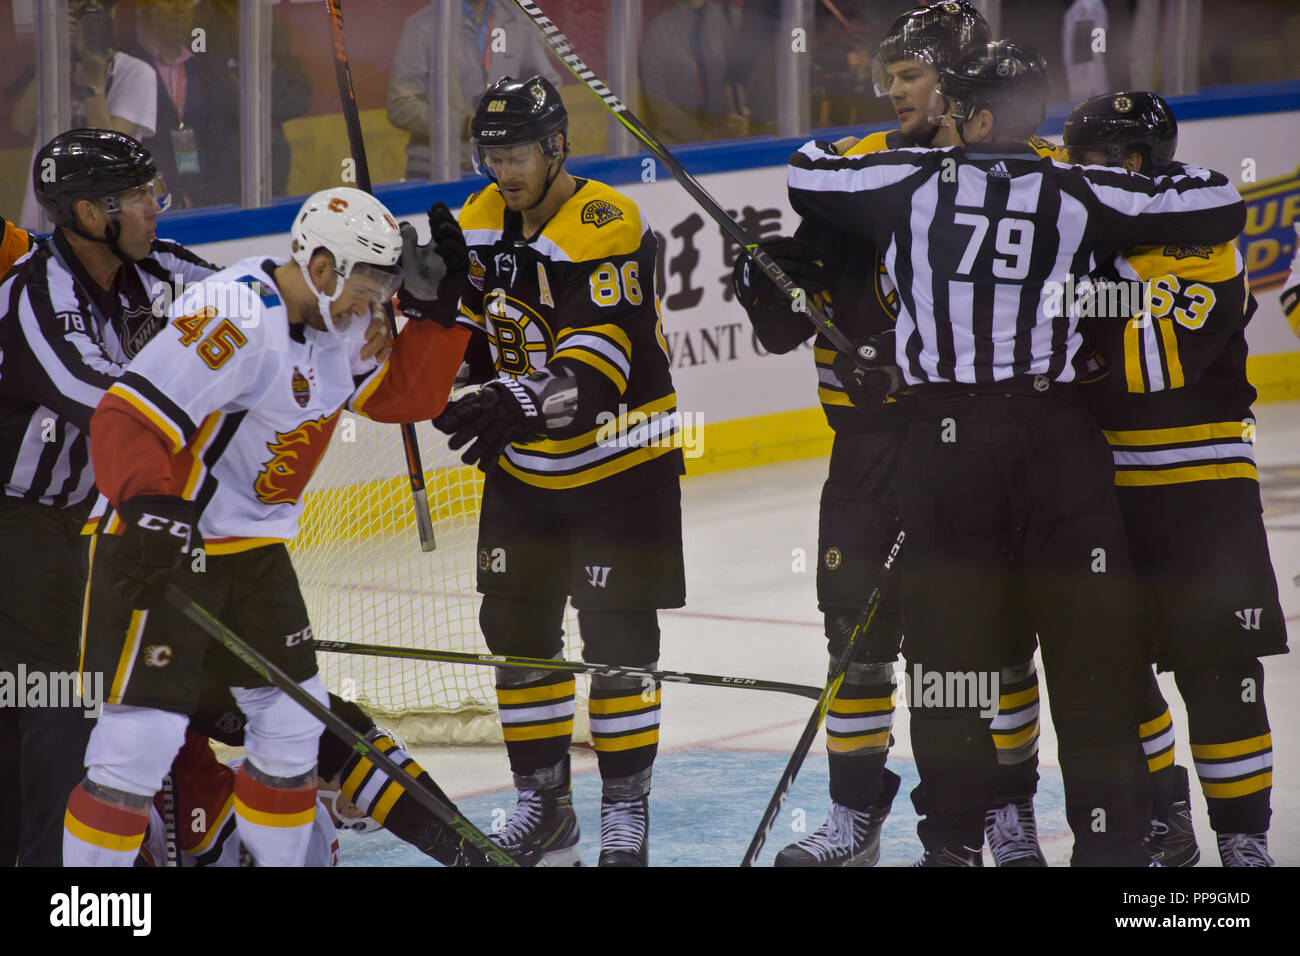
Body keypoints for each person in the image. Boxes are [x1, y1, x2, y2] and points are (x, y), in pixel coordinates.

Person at [781, 40, 1245, 866]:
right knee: (1090, 661)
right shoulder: (1082, 189)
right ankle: (1109, 853)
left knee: (947, 667)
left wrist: (908, 141)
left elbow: (809, 169)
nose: (942, 122)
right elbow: (1218, 204)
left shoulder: (910, 182)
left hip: (947, 448)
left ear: (982, 116)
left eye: (955, 109)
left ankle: (952, 846)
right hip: (1056, 441)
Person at [63, 186, 471, 866]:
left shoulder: (341, 326)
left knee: (291, 725)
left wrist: (441, 316)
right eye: (367, 281)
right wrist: (151, 508)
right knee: (139, 745)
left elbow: (408, 396)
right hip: (164, 549)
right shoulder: (236, 314)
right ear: (319, 266)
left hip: (253, 553)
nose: (375, 301)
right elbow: (125, 417)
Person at [733, 1, 1050, 867]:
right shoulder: (856, 171)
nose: (894, 90)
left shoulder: (1008, 172)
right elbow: (787, 328)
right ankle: (855, 816)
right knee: (857, 640)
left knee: (993, 642)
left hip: (975, 449)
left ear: (955, 81)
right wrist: (769, 292)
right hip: (868, 452)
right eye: (890, 76)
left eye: (912, 75)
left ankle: (1005, 807)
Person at [433, 75, 685, 867]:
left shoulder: (605, 222)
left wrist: (512, 397)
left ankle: (623, 810)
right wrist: (429, 305)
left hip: (619, 471)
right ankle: (544, 807)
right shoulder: (479, 221)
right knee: (516, 635)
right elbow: (470, 343)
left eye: (517, 152)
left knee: (619, 643)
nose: (503, 169)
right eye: (491, 152)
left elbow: (596, 369)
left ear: (555, 148)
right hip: (527, 471)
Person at [1067, 91, 1286, 867]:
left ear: (1132, 160)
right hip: (1107, 492)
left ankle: (1244, 837)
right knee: (1115, 665)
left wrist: (1080, 302)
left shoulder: (1202, 225)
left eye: (1087, 157)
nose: (1075, 176)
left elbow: (1139, 361)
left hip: (1204, 488)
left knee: (1221, 667)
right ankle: (1166, 815)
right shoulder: (1093, 235)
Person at [0, 129, 215, 867]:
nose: (157, 207)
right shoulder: (34, 292)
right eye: (139, 198)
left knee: (34, 698)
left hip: (84, 522)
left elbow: (249, 311)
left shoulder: (162, 272)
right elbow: (99, 401)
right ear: (90, 214)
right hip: (19, 520)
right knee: (58, 694)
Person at [11, 0, 158, 230]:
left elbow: (110, 153)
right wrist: (52, 54)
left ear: (112, 14)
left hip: (102, 219)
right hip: (43, 214)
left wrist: (94, 72)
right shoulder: (54, 66)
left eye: (90, 13)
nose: (82, 23)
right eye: (74, 14)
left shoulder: (137, 73)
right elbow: (20, 123)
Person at [387, 0, 562, 179]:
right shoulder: (423, 26)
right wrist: (465, 125)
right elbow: (400, 105)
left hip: (505, 168)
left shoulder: (518, 22)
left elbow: (547, 88)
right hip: (435, 172)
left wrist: (516, 118)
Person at [125, 0, 241, 209]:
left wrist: (218, 200)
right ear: (145, 8)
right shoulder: (125, 61)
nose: (180, 9)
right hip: (147, 208)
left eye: (188, 2)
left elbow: (218, 143)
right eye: (170, 1)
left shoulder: (202, 65)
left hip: (203, 205)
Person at [640, 0, 750, 145]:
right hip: (676, 145)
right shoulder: (658, 31)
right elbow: (657, 98)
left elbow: (751, 78)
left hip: (732, 140)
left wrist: (740, 116)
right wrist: (701, 139)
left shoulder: (733, 21)